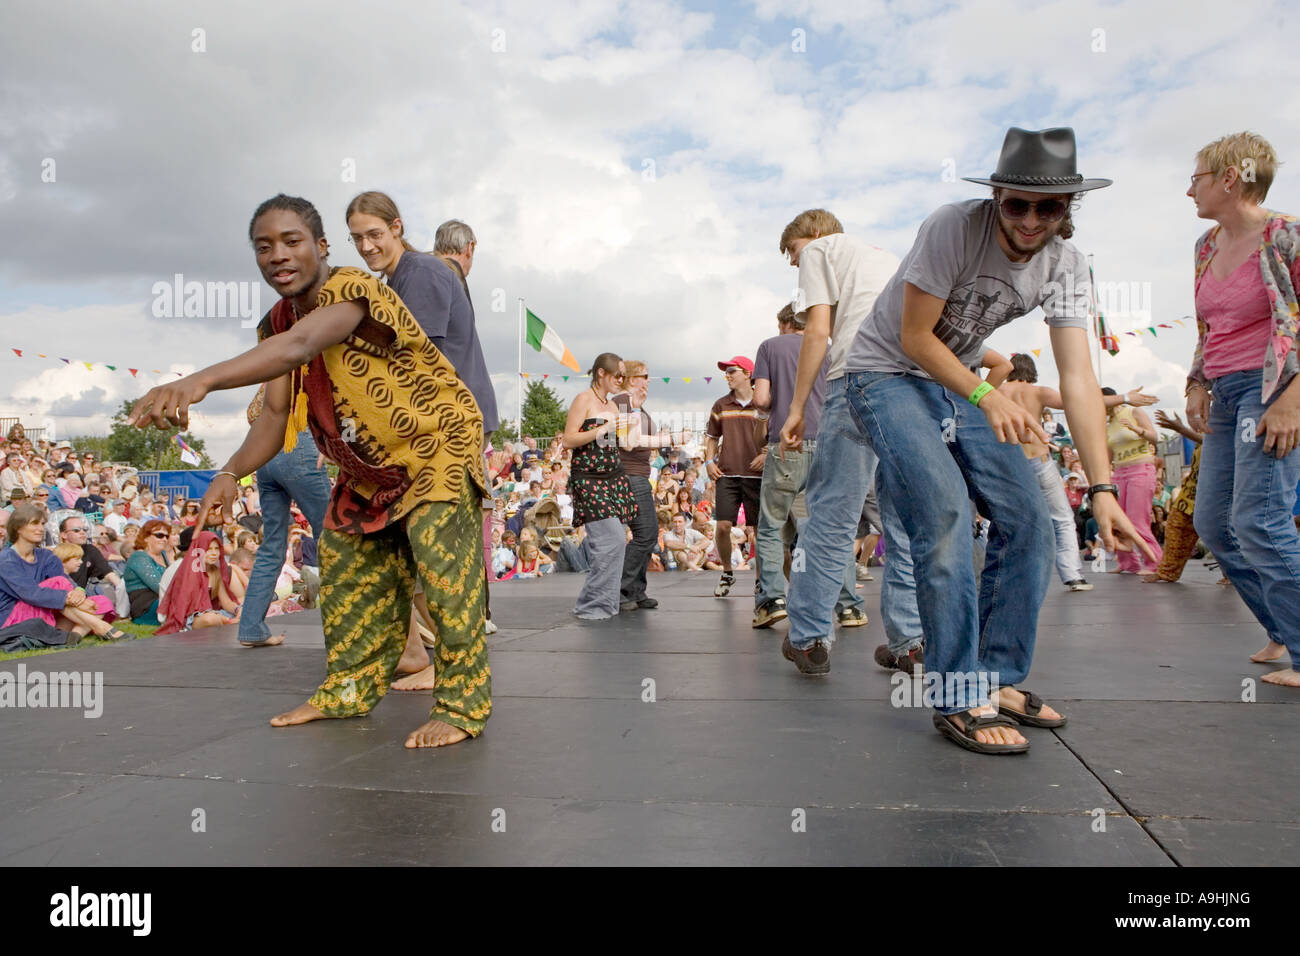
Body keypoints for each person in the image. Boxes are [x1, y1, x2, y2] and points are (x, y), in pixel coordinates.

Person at [802, 127, 1153, 753]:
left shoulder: (1068, 267)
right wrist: (988, 396)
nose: (1030, 219)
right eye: (1016, 203)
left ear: (1069, 208)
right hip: (884, 374)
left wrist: (1101, 488)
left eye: (1048, 207)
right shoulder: (952, 228)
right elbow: (914, 338)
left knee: (1030, 519)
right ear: (996, 196)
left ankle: (996, 677)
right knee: (944, 511)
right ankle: (959, 691)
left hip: (953, 383)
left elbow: (1077, 377)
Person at [129, 193, 491, 748]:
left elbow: (300, 346)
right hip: (367, 467)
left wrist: (196, 381)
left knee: (446, 580)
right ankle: (347, 690)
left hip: (434, 447)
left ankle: (464, 706)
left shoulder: (355, 288)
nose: (278, 255)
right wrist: (230, 472)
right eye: (264, 247)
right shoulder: (276, 320)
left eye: (292, 241)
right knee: (346, 577)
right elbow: (276, 415)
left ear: (321, 247)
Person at [1184, 131, 1300, 685]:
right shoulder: (1206, 246)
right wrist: (1195, 383)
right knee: (1212, 521)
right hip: (1226, 391)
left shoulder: (1287, 236)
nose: (1189, 191)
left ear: (1230, 178)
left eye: (1197, 178)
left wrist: (1290, 400)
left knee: (1261, 519)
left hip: (1270, 388)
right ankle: (1283, 625)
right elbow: (1208, 326)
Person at [777, 208, 902, 656]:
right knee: (901, 520)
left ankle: (810, 638)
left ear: (811, 234)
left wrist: (796, 409)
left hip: (858, 374)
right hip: (909, 380)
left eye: (792, 252)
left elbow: (818, 331)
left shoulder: (822, 249)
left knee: (831, 515)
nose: (794, 263)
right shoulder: (887, 257)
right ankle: (909, 640)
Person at [1001, 353, 1157, 590]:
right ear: (1030, 371)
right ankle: (1073, 575)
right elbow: (1080, 402)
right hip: (1039, 461)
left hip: (1010, 462)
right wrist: (1125, 397)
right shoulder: (1038, 392)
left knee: (1013, 521)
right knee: (1062, 519)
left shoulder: (996, 392)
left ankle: (1013, 577)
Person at [234, 384, 332, 649]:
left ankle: (252, 626)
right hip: (298, 445)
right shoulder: (310, 363)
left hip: (265, 454)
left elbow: (253, 413)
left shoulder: (273, 374)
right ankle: (344, 631)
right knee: (335, 540)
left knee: (272, 546)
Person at [562, 352, 637, 619]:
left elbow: (622, 444)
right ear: (601, 374)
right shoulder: (583, 399)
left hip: (613, 477)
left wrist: (627, 428)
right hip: (589, 478)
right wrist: (602, 429)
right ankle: (592, 605)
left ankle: (604, 604)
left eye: (623, 376)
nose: (621, 380)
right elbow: (568, 439)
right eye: (617, 375)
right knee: (610, 540)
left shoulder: (614, 406)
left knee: (617, 541)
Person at [0, 503, 125, 640]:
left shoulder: (46, 556)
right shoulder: (6, 559)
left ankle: (74, 636)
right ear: (18, 527)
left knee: (101, 601)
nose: (41, 529)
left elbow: (66, 582)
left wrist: (79, 592)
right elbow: (31, 593)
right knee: (57, 584)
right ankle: (101, 627)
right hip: (12, 619)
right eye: (35, 524)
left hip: (45, 610)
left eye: (42, 524)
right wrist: (68, 597)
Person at [612, 360, 677, 611]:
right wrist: (667, 438)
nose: (649, 380)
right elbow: (629, 440)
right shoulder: (622, 404)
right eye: (645, 376)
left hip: (638, 474)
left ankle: (635, 590)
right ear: (631, 378)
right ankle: (622, 589)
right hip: (629, 474)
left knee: (645, 534)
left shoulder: (634, 405)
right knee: (646, 533)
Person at [705, 355, 766, 598]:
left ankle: (761, 580)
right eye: (726, 372)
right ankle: (727, 572)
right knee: (722, 526)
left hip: (757, 476)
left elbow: (775, 437)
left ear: (747, 373)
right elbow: (711, 437)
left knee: (758, 531)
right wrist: (709, 462)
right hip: (728, 475)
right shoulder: (721, 404)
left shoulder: (763, 403)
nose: (727, 375)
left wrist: (766, 454)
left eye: (732, 371)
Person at [1142, 410, 1206, 585]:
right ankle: (1167, 572)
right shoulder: (1207, 424)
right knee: (1175, 527)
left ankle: (1233, 576)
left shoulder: (1230, 422)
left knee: (1221, 538)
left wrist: (1182, 429)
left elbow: (1216, 443)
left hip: (1215, 494)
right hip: (1191, 494)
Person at [1104, 388, 1164, 574]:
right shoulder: (1107, 425)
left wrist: (1137, 429)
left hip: (1141, 469)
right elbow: (1107, 457)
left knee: (1137, 520)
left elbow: (1155, 437)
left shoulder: (1133, 411)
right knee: (1119, 520)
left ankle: (1154, 563)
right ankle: (1128, 563)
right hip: (1120, 472)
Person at [157, 531, 241, 633]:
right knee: (211, 619)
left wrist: (238, 609)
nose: (214, 553)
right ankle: (228, 622)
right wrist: (227, 619)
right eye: (208, 549)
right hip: (189, 616)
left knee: (244, 610)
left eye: (216, 549)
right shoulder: (190, 571)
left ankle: (227, 622)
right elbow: (183, 606)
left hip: (211, 612)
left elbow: (226, 601)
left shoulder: (216, 571)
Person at [123, 518, 172, 624]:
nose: (164, 539)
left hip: (163, 600)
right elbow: (159, 586)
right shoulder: (139, 556)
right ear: (145, 537)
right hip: (146, 607)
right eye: (159, 535)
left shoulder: (164, 555)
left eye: (166, 536)